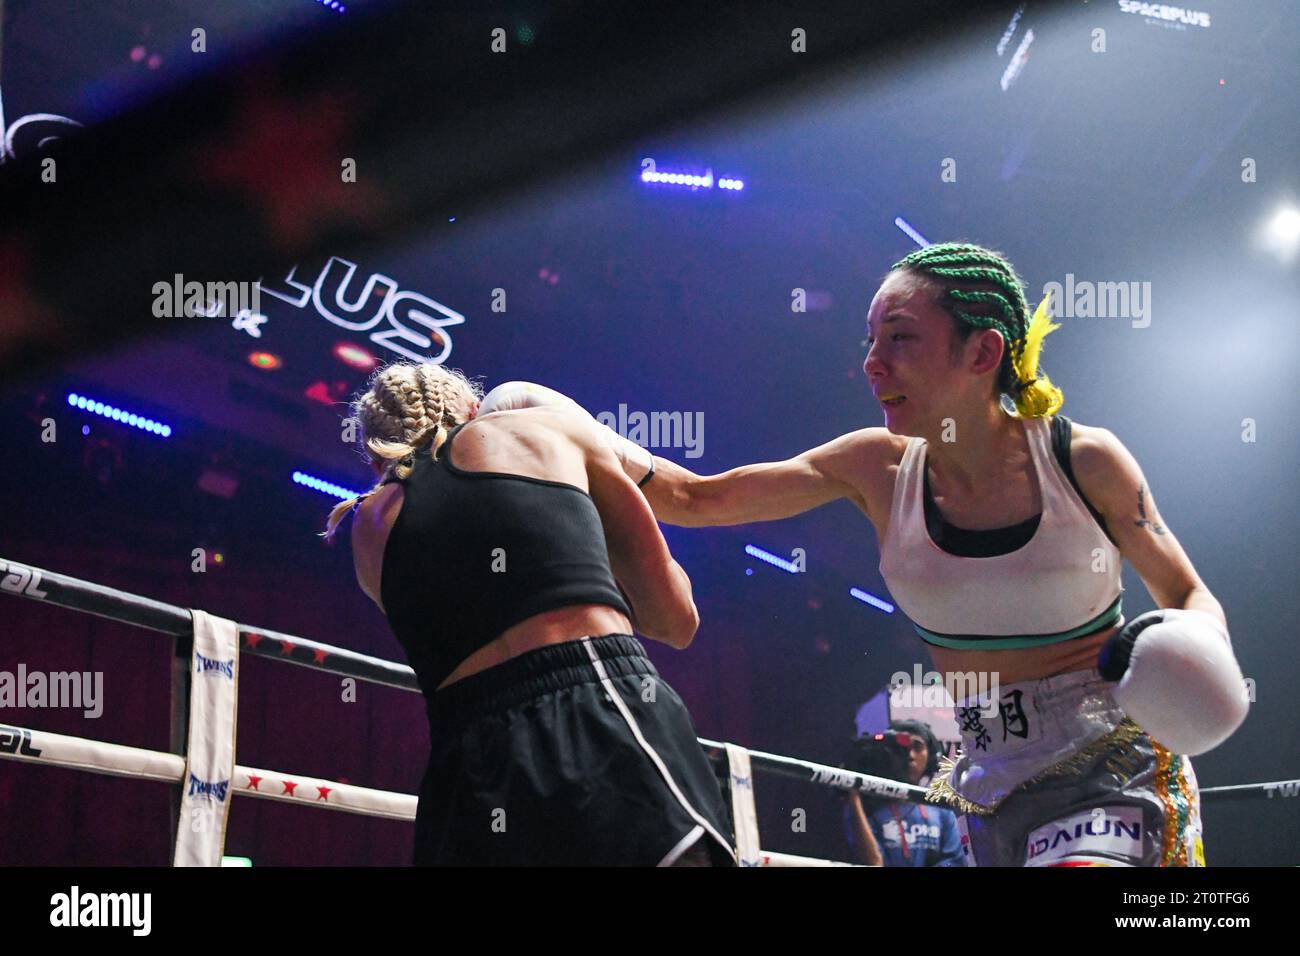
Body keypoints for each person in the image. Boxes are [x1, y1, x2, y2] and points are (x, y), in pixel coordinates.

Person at [500, 242, 1248, 866]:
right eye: (869, 340)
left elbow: (1189, 595)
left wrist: (1190, 650)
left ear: (983, 351)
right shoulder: (875, 468)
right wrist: (569, 429)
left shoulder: (1082, 462)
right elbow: (698, 498)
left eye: (901, 338)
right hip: (988, 771)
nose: (872, 363)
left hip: (1105, 760)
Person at [321, 361, 734, 866]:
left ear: (374, 454)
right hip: (599, 716)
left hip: (468, 775)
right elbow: (676, 619)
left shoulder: (364, 530)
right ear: (473, 410)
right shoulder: (542, 428)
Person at [842, 721, 963, 867]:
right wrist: (854, 794)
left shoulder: (941, 808)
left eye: (917, 747)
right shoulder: (866, 806)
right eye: (900, 749)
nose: (910, 755)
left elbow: (954, 861)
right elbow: (873, 862)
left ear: (931, 757)